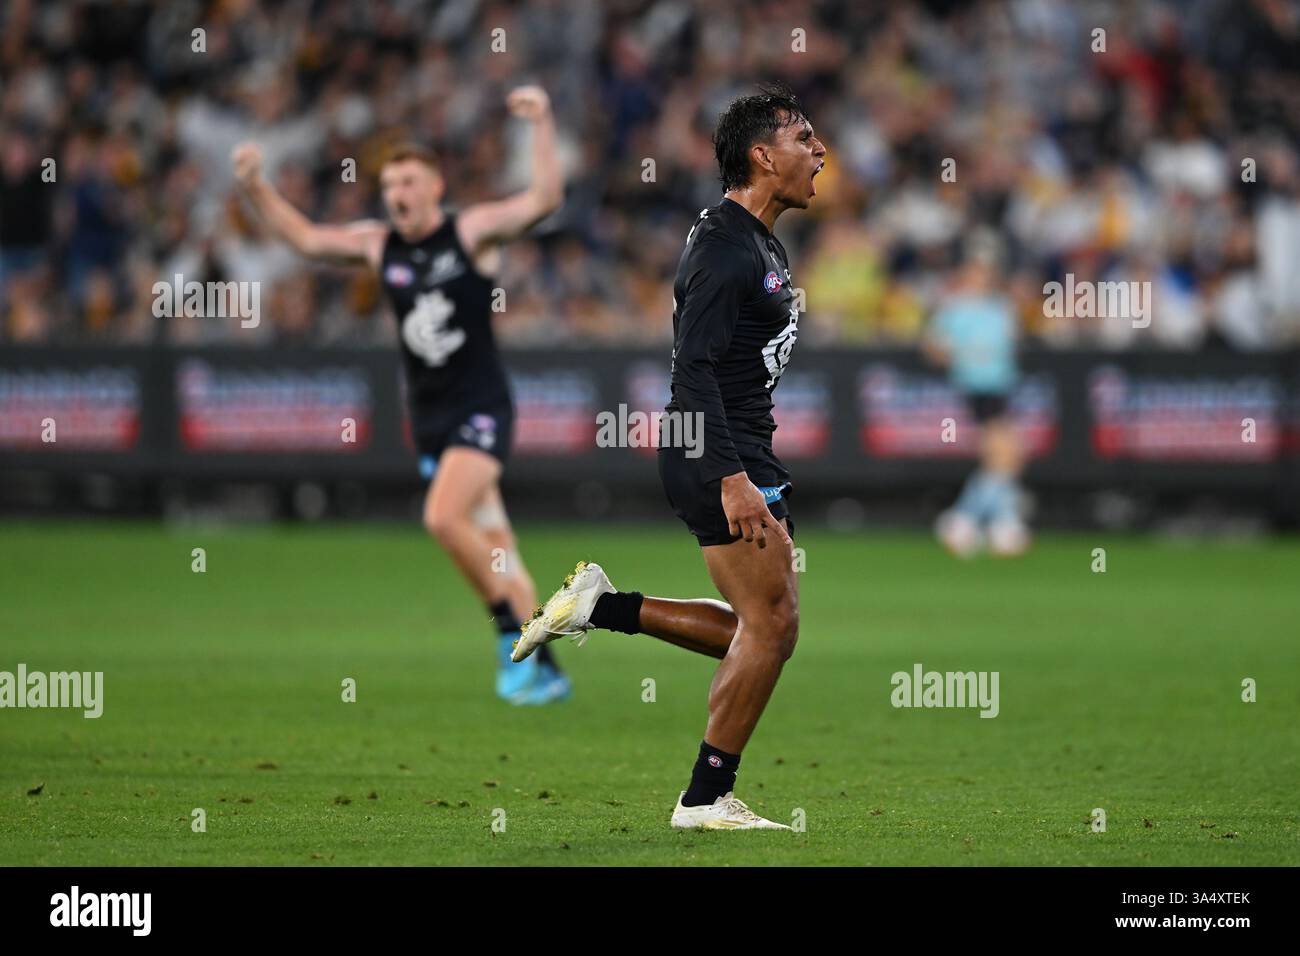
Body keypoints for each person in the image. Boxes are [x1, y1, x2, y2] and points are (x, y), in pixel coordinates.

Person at [513, 86, 826, 829]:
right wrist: (733, 479)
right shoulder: (726, 248)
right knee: (773, 628)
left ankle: (599, 606)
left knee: (763, 630)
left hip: (731, 448)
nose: (819, 151)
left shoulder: (749, 236)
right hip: (721, 453)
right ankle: (705, 797)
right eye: (804, 138)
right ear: (762, 155)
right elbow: (694, 371)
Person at [231, 85, 570, 704]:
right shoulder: (377, 244)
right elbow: (306, 240)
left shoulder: (469, 234)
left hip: (482, 411)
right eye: (390, 186)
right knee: (496, 549)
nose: (399, 195)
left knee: (442, 517)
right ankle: (544, 669)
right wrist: (256, 186)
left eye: (411, 182)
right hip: (432, 420)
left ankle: (506, 638)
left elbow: (545, 199)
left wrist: (542, 121)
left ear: (436, 187)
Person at [924, 243, 1029, 557]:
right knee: (1005, 456)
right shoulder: (955, 308)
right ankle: (973, 520)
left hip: (1001, 385)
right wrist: (957, 358)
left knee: (1004, 458)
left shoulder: (1000, 307)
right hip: (978, 387)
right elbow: (934, 346)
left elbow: (1011, 344)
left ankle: (989, 521)